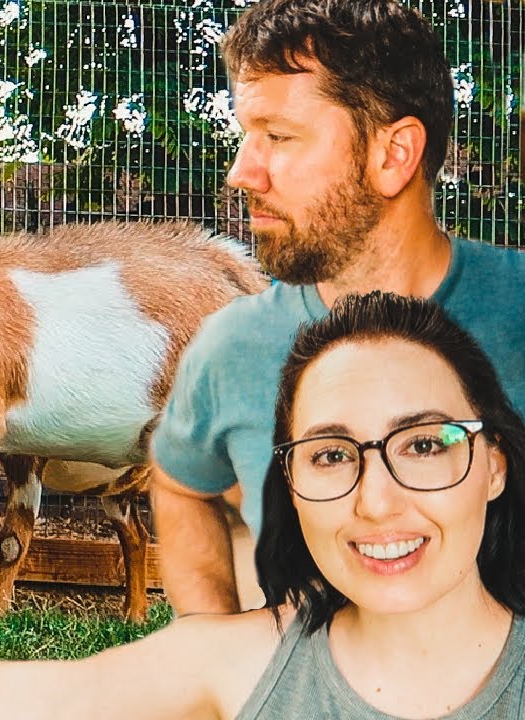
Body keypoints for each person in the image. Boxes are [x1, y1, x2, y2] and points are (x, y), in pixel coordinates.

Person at [0, 292, 525, 719]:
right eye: (332, 455)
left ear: (494, 464)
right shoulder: (254, 662)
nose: (377, 501)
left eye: (425, 444)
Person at [149, 0, 525, 616]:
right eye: (247, 136)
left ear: (393, 154)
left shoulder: (519, 311)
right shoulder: (233, 344)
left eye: (277, 136)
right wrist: (216, 642)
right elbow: (179, 483)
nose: (242, 172)